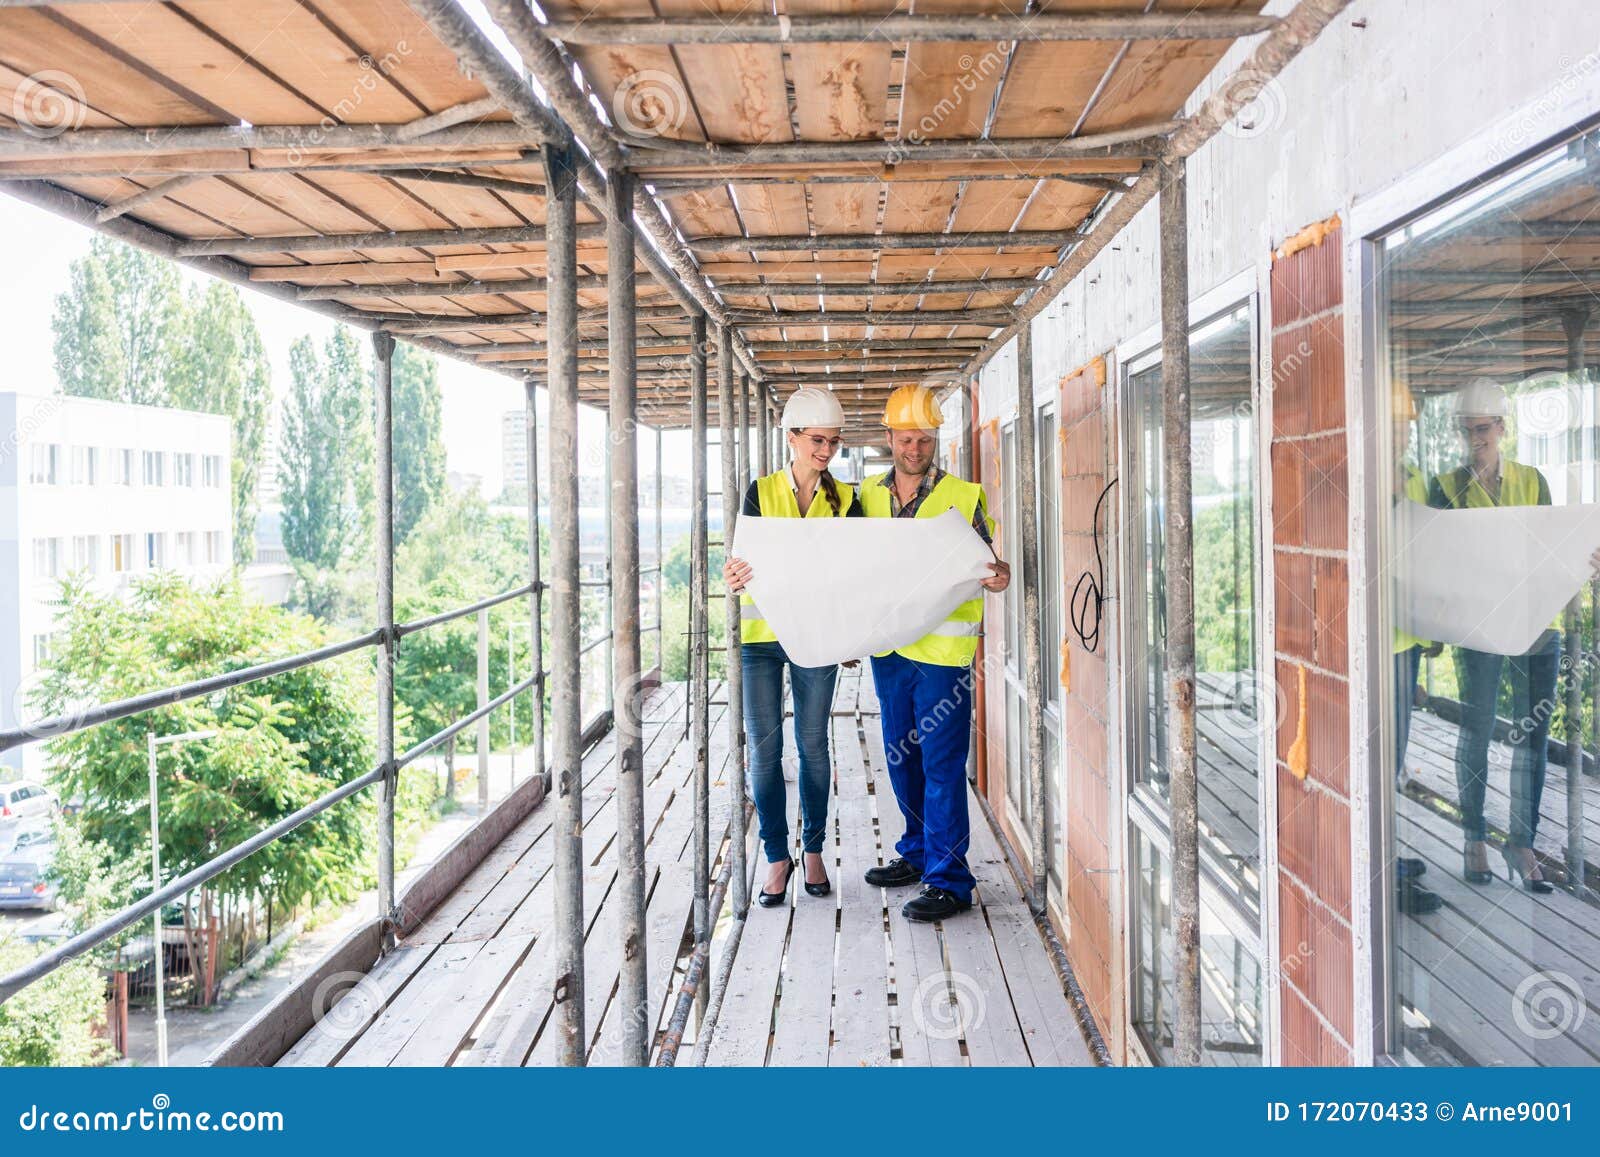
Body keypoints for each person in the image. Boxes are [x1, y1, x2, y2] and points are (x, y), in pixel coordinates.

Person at [858, 385, 1010, 922]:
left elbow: (991, 565)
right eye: (906, 437)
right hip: (891, 649)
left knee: (942, 765)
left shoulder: (964, 496)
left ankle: (949, 880)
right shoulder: (867, 497)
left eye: (924, 438)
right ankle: (918, 852)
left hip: (943, 656)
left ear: (934, 440)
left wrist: (998, 577)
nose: (914, 448)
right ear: (891, 438)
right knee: (901, 754)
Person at [723, 386, 862, 908]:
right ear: (792, 439)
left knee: (812, 747)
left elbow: (853, 572)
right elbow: (744, 559)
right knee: (764, 753)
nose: (826, 451)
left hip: (817, 637)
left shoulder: (846, 500)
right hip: (760, 640)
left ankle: (814, 851)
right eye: (817, 440)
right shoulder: (760, 492)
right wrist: (733, 571)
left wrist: (850, 632)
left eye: (834, 442)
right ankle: (776, 855)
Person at [1427, 379, 1562, 893]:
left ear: (1502, 428)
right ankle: (1475, 837)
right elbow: (1435, 562)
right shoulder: (1446, 487)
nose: (1475, 439)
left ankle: (1522, 842)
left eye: (1483, 428)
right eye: (1467, 430)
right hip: (1478, 625)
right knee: (1477, 729)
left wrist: (1583, 563)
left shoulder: (1533, 481)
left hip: (1534, 622)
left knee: (1535, 736)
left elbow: (1554, 545)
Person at [1390, 383, 1442, 915]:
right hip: (1371, 647)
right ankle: (1382, 874)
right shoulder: (1360, 477)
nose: (1401, 433)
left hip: (1404, 642)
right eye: (1394, 425)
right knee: (1378, 761)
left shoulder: (1415, 479)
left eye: (1405, 426)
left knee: (1395, 759)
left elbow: (1425, 555)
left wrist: (1431, 634)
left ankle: (1385, 856)